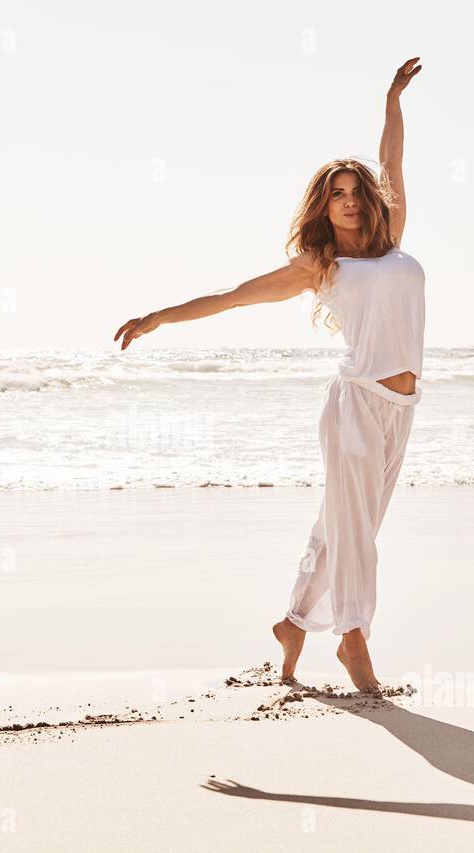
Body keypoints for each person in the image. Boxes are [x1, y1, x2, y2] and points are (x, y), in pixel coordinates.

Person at [114, 57, 425, 694]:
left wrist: (393, 98)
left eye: (354, 192)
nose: (348, 201)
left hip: (403, 407)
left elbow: (392, 160)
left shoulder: (393, 239)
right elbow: (233, 297)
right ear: (324, 206)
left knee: (347, 526)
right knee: (356, 531)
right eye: (335, 194)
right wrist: (159, 318)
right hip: (355, 405)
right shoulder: (319, 265)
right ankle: (353, 639)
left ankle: (293, 623)